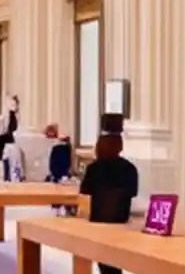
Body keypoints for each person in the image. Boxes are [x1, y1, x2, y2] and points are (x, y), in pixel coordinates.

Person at [80, 115, 138, 274]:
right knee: (114, 262)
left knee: (104, 262)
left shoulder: (93, 168)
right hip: (120, 221)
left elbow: (85, 192)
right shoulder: (130, 169)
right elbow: (133, 193)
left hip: (98, 221)